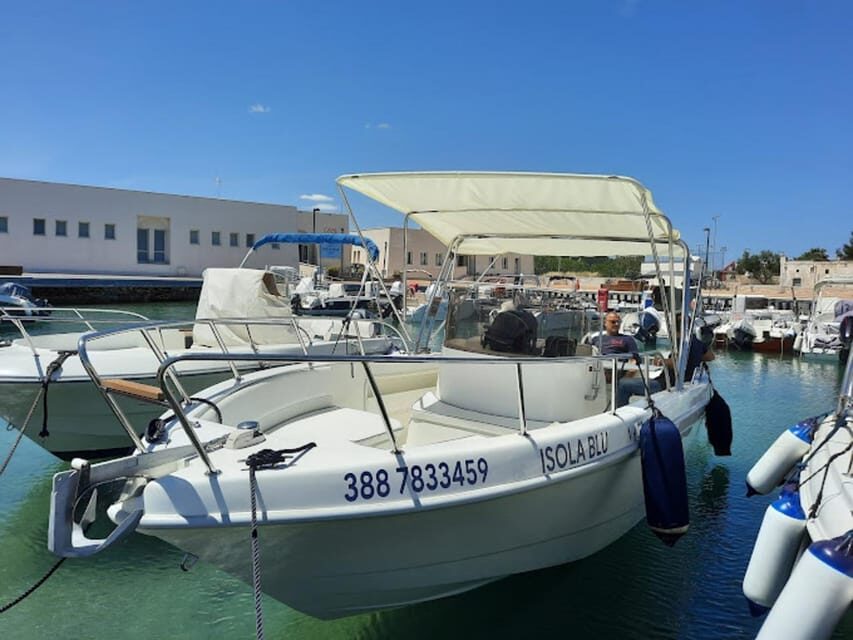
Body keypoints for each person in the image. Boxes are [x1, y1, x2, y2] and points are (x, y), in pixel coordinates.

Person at [615, 318, 715, 408]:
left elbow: (678, 363)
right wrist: (696, 357)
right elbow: (710, 357)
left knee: (622, 383)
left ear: (674, 327)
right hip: (685, 382)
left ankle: (618, 416)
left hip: (667, 385)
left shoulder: (681, 342)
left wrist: (661, 361)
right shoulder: (695, 341)